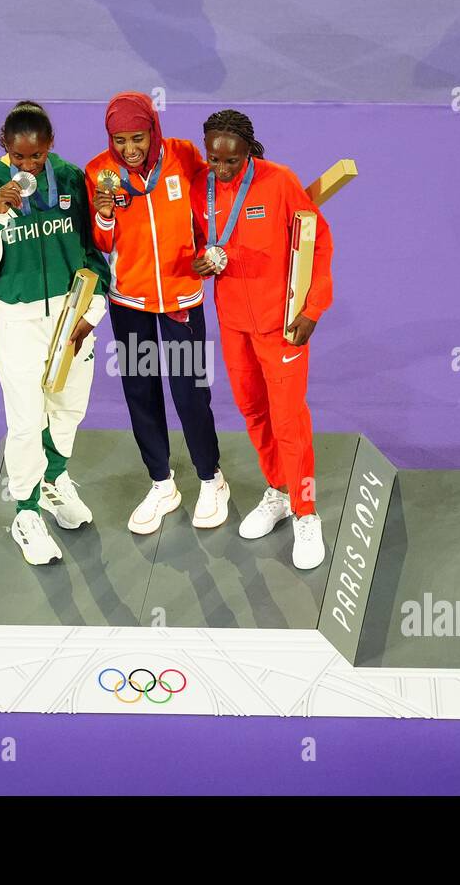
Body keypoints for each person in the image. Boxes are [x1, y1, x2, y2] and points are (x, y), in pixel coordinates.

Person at [0, 100, 111, 566]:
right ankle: (25, 512)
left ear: (49, 148)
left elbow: (91, 247)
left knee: (69, 407)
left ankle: (53, 480)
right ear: (6, 145)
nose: (28, 165)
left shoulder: (69, 179)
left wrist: (95, 307)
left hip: (69, 314)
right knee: (26, 418)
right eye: (20, 156)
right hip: (17, 318)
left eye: (37, 156)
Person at [190, 110, 335, 570]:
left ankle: (306, 510)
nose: (222, 169)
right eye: (214, 159)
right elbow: (195, 242)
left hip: (283, 325)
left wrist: (312, 308)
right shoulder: (201, 188)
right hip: (233, 324)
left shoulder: (279, 182)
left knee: (289, 420)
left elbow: (319, 241)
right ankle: (278, 490)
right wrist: (199, 260)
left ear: (249, 151)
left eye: (232, 161)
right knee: (254, 412)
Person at [84, 92, 229, 535]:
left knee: (189, 393)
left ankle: (211, 479)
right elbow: (102, 244)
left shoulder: (182, 156)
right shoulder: (99, 173)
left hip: (181, 299)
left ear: (153, 131)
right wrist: (105, 215)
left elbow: (212, 204)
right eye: (121, 140)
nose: (130, 149)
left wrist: (210, 250)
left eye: (138, 138)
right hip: (129, 303)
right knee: (141, 392)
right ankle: (162, 483)